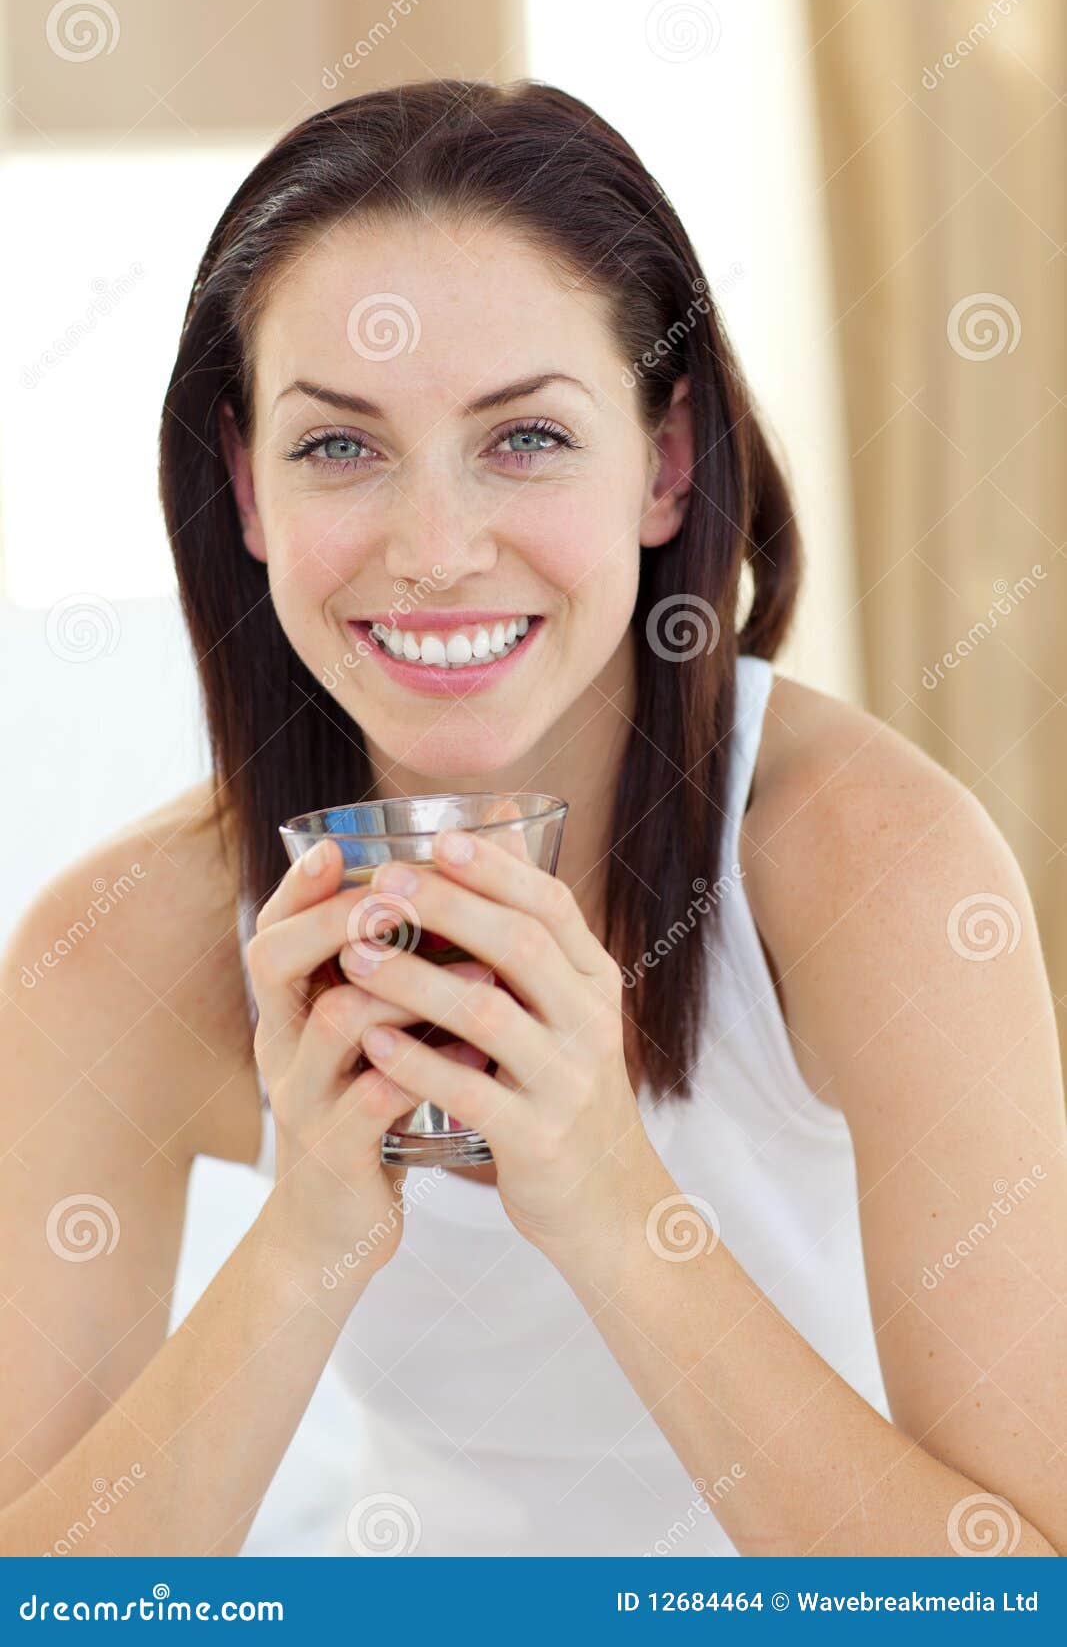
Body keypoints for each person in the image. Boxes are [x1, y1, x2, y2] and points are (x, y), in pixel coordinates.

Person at [2, 79, 1064, 1560]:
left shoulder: (876, 871)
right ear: (244, 487)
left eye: (526, 439)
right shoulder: (116, 950)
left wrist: (610, 1201)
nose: (435, 552)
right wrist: (307, 1239)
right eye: (338, 446)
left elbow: (1019, 1595)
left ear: (666, 460)